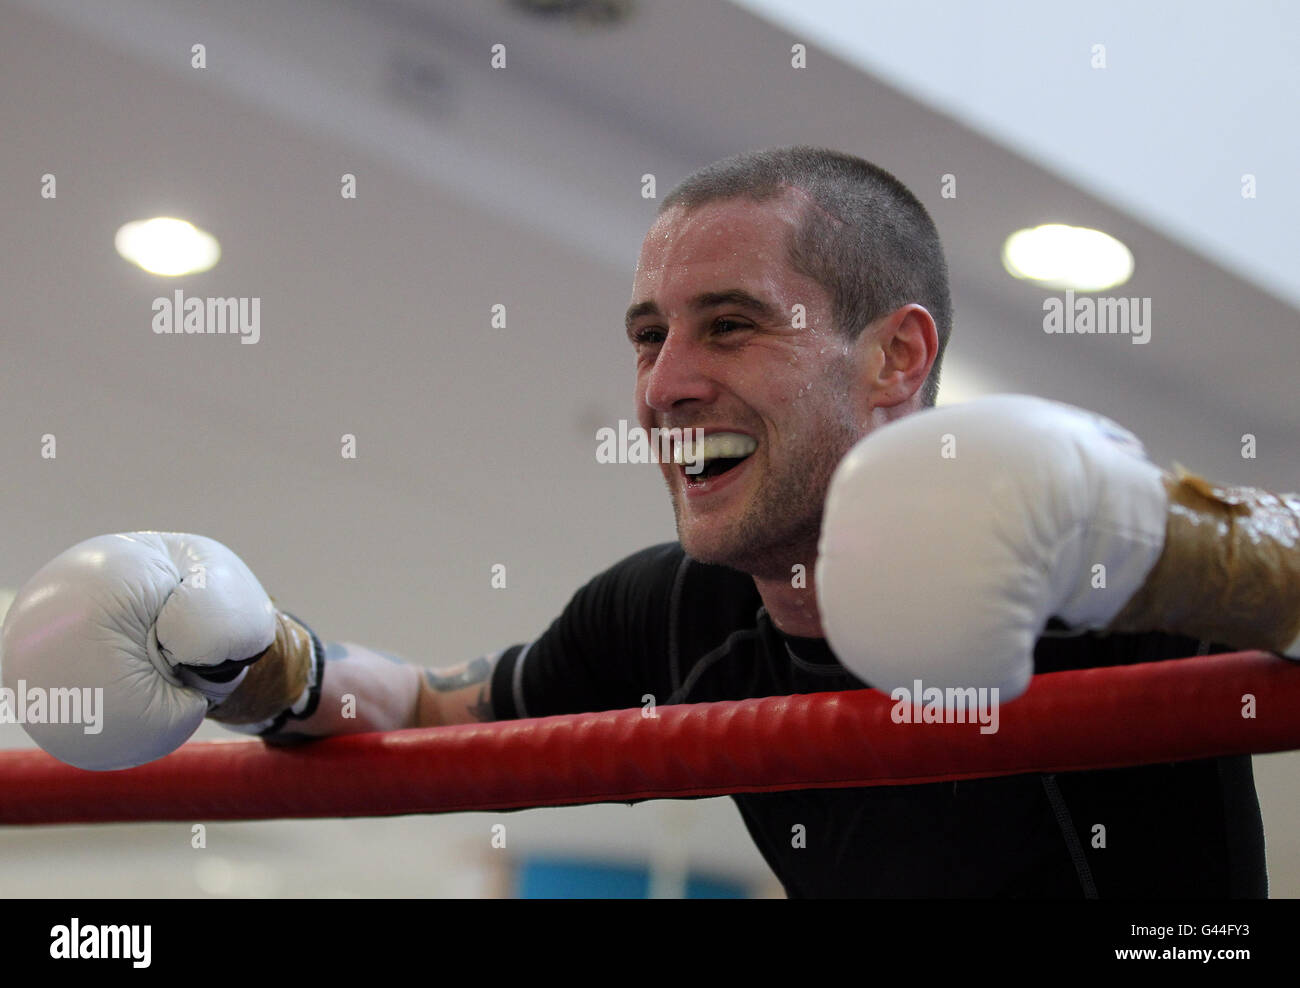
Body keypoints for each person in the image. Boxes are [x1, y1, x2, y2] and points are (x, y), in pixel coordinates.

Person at [2, 147, 1270, 897]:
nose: (663, 385)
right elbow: (432, 716)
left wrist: (1177, 545)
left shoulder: (1083, 560)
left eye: (729, 323)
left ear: (898, 357)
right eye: (649, 336)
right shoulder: (674, 610)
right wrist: (259, 664)